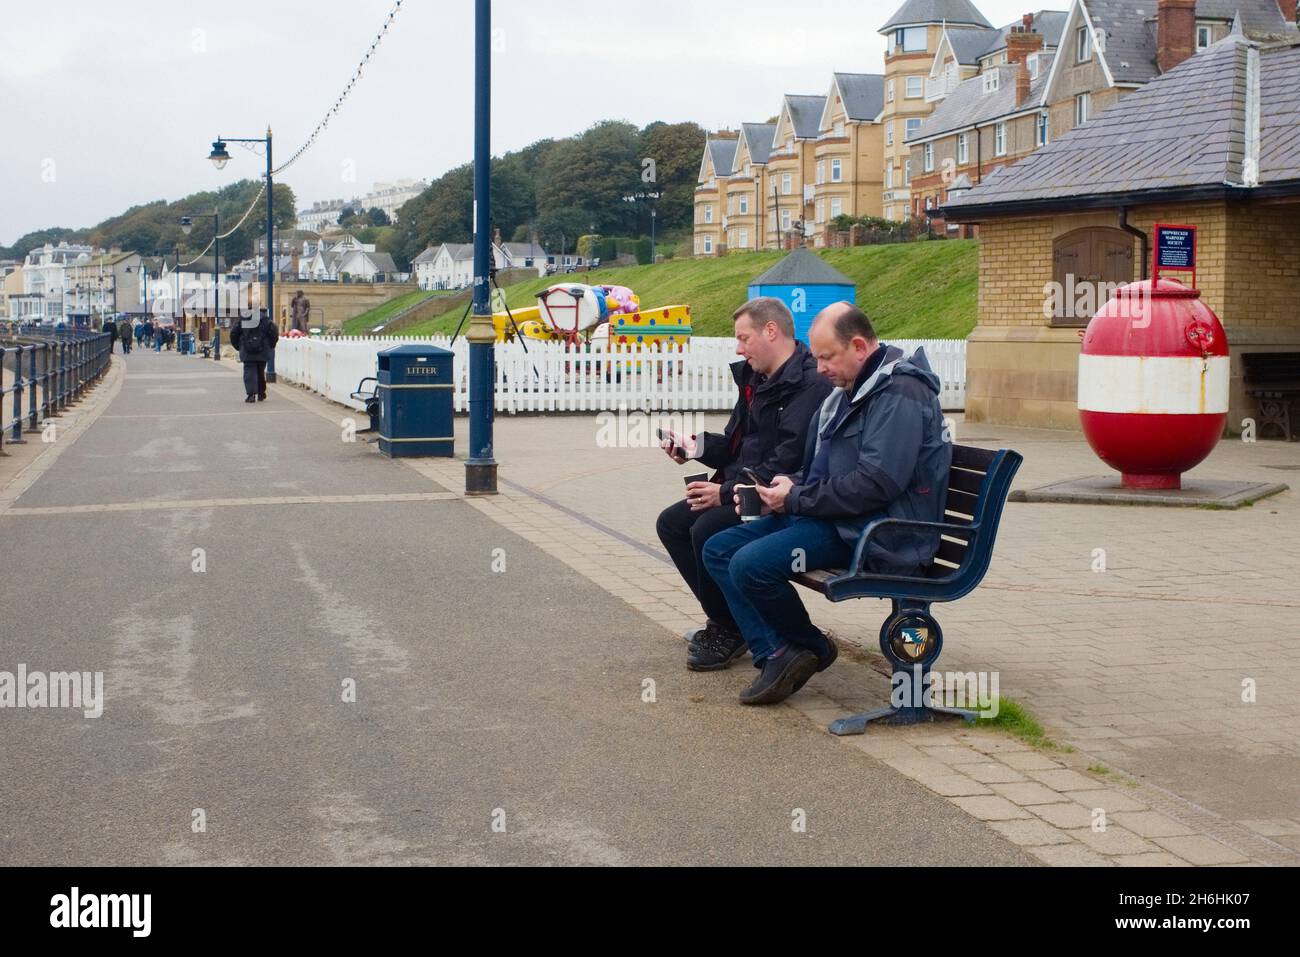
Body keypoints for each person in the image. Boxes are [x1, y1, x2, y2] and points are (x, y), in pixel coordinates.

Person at [701, 302, 952, 706]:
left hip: (882, 531)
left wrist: (796, 498)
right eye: (816, 357)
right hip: (844, 518)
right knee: (718, 549)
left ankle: (808, 647)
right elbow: (833, 469)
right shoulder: (852, 390)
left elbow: (876, 484)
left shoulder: (901, 392)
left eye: (826, 357)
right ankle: (780, 653)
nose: (818, 369)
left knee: (750, 564)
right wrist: (789, 488)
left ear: (857, 346)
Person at [655, 297, 831, 671]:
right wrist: (695, 446)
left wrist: (723, 492)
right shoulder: (756, 379)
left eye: (743, 338)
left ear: (771, 331)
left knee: (706, 529)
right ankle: (727, 623)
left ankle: (730, 629)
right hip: (746, 488)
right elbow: (738, 444)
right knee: (672, 523)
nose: (738, 348)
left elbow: (788, 460)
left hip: (778, 497)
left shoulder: (810, 384)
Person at [229, 307, 279, 403]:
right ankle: (261, 393)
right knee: (260, 371)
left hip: (247, 350)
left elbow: (234, 333)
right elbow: (274, 333)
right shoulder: (266, 320)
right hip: (263, 350)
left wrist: (238, 346)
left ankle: (251, 395)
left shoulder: (242, 319)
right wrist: (271, 345)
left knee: (249, 372)